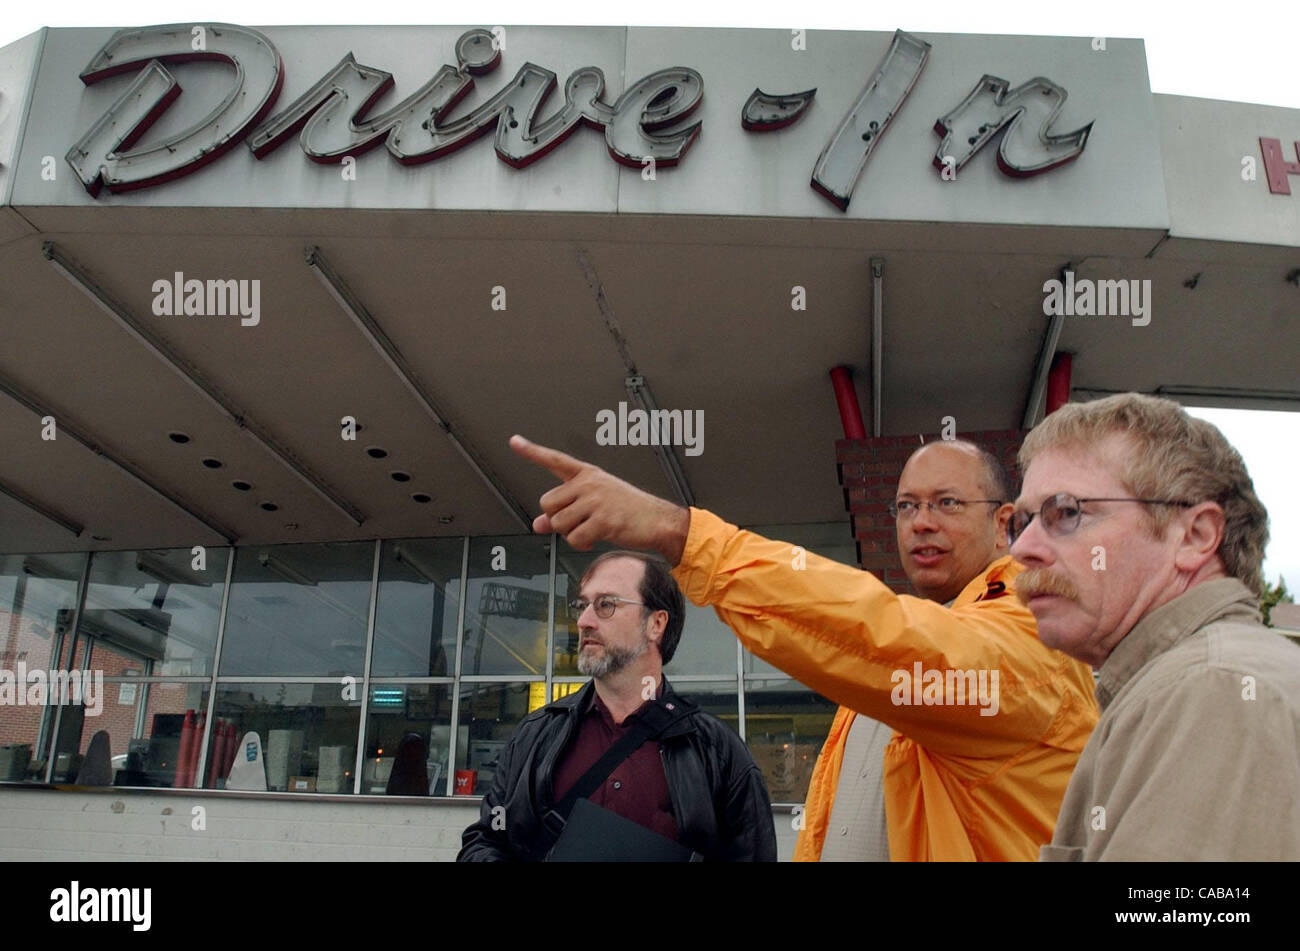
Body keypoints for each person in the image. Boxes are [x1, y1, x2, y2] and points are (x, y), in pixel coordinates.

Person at [509, 435, 1098, 861]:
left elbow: (905, 645)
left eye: (946, 503)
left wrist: (683, 535)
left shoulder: (1030, 632)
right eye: (907, 506)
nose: (920, 522)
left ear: (1002, 524)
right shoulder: (541, 732)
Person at [1008, 392, 1300, 860]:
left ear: (1195, 536)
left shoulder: (1214, 691)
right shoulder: (1191, 683)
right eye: (1019, 522)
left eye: (1065, 513)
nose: (1022, 547)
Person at [457, 550, 777, 861]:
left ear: (656, 624)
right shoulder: (535, 735)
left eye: (605, 605)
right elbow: (484, 840)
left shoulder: (717, 751)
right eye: (581, 606)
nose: (583, 621)